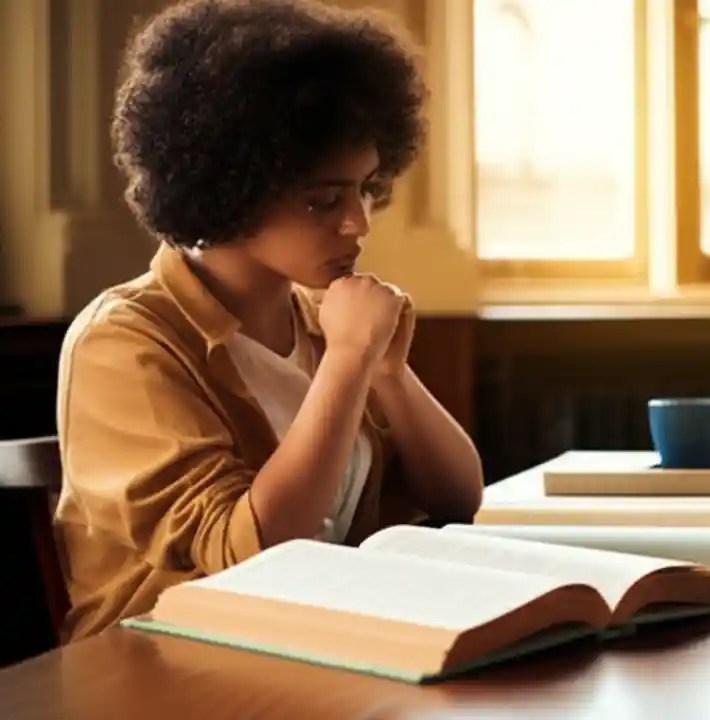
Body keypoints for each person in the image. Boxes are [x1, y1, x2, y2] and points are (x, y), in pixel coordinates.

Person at [54, 0, 483, 642]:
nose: (359, 223)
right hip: (161, 668)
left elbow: (457, 499)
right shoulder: (123, 343)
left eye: (366, 189)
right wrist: (345, 364)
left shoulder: (321, 319)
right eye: (323, 200)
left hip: (322, 649)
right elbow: (251, 552)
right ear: (229, 188)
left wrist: (386, 370)